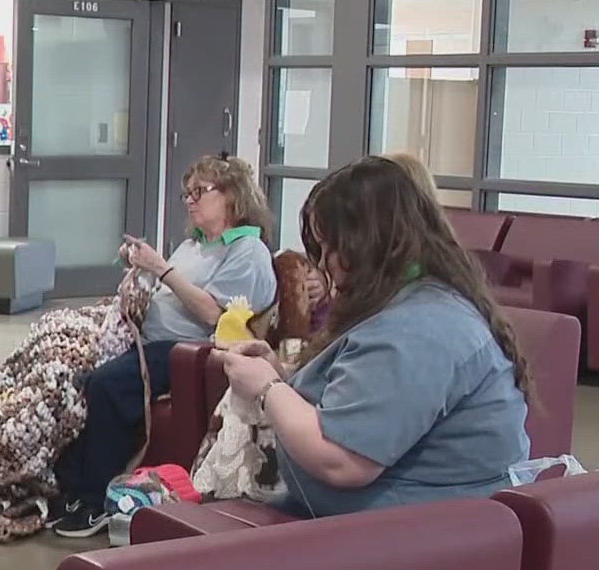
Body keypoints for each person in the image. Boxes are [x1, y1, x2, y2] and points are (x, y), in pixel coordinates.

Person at [218, 155, 531, 518]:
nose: (325, 263)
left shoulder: (416, 331)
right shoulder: (423, 304)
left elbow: (341, 460)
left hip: (403, 542)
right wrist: (283, 379)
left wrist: (269, 388)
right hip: (398, 525)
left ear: (365, 244)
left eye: (331, 247)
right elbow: (367, 402)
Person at [51, 154, 278, 537]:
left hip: (185, 349)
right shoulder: (195, 246)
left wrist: (161, 269)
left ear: (232, 196)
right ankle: (66, 486)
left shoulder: (247, 251)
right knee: (69, 372)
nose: (189, 201)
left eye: (199, 192)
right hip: (150, 339)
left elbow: (211, 313)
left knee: (108, 385)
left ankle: (95, 500)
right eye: (186, 194)